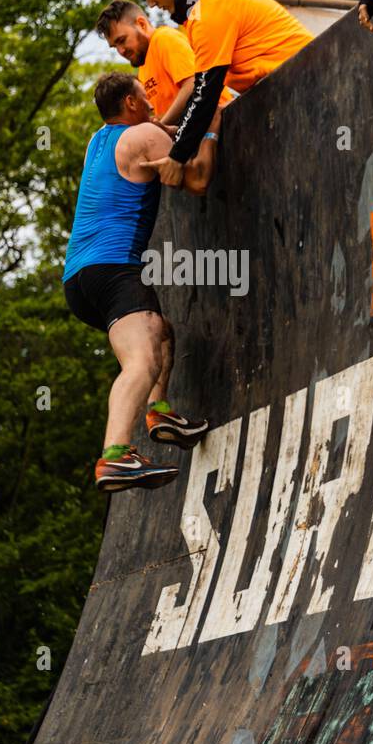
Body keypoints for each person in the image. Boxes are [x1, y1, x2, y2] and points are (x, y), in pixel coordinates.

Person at [63, 71, 220, 492]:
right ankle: (115, 455)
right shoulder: (145, 135)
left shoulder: (98, 142)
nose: (151, 101)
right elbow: (198, 179)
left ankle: (159, 410)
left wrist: (169, 128)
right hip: (114, 268)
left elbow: (158, 137)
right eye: (144, 95)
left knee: (161, 333)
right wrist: (211, 129)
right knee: (142, 358)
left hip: (79, 280)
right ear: (131, 103)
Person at [130, 0, 313, 181]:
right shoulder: (204, 6)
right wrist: (182, 133)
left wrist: (177, 157)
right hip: (291, 85)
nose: (151, 3)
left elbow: (205, 91)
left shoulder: (208, 11)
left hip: (308, 81)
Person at [95, 0, 236, 125]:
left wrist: (161, 125)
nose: (121, 51)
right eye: (115, 47)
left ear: (142, 24)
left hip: (221, 126)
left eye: (122, 40)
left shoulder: (164, 39)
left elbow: (194, 83)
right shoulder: (143, 66)